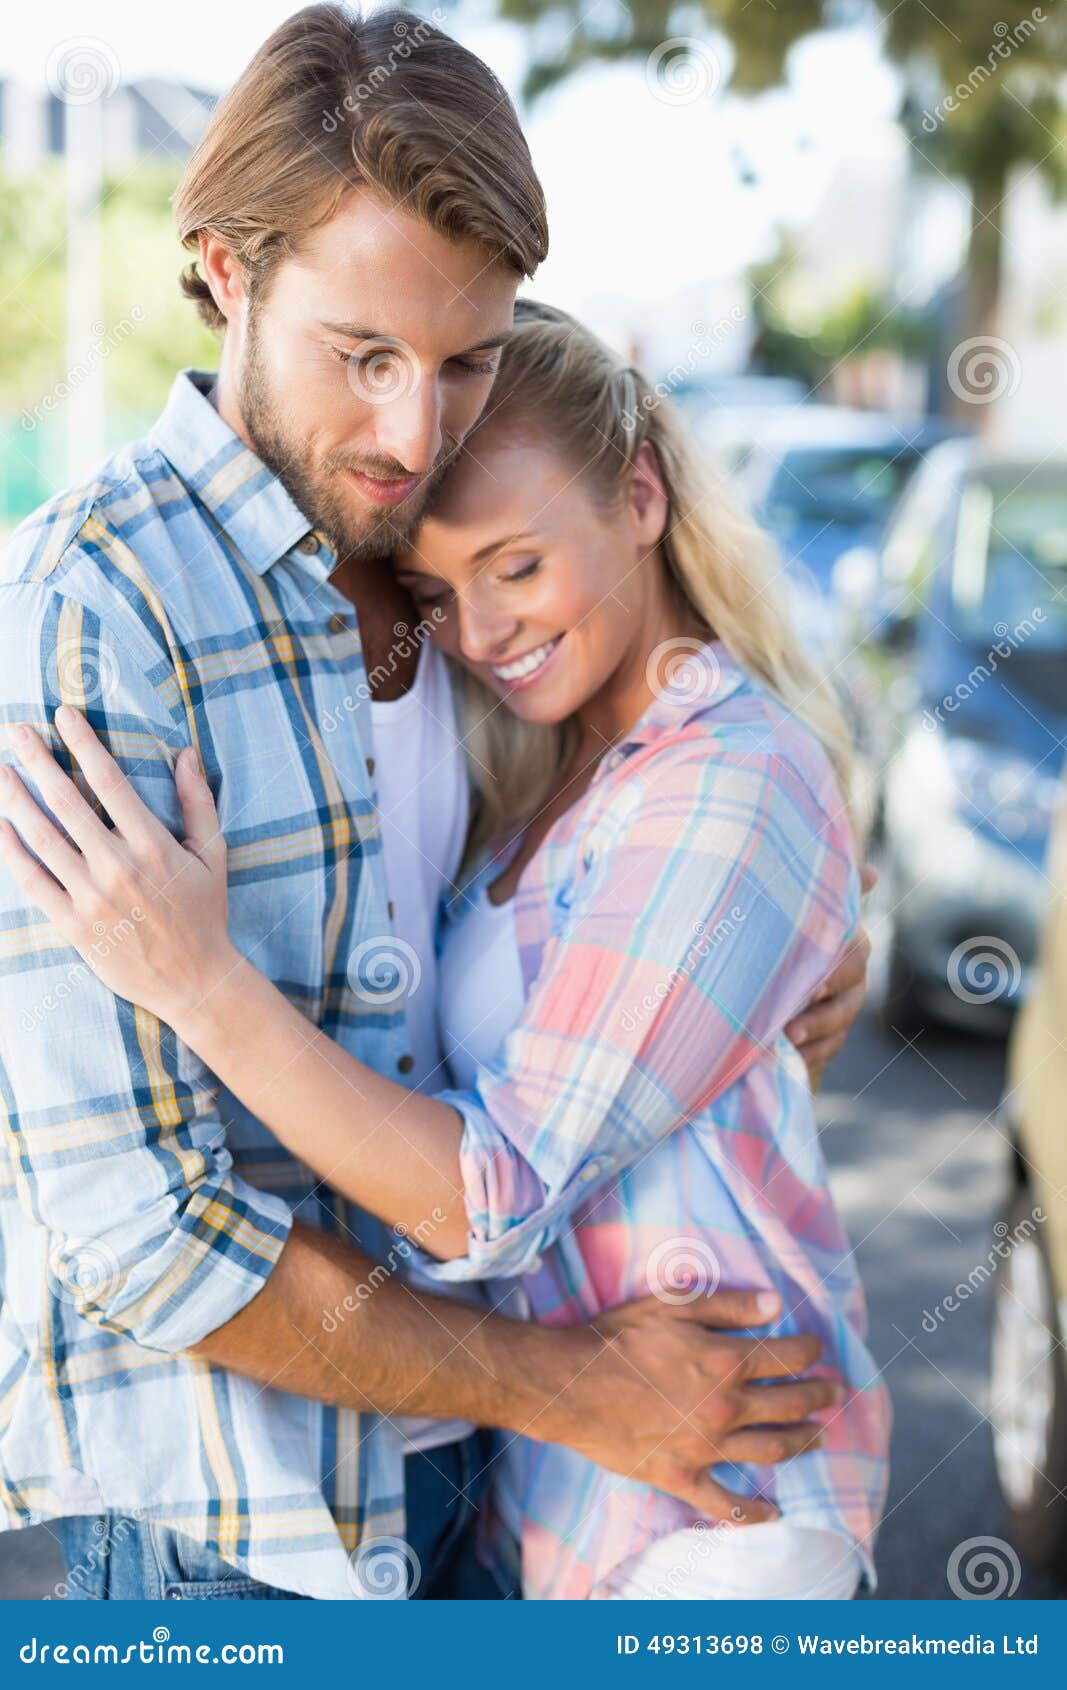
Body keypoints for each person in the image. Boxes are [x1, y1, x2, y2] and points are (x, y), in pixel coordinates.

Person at [0, 299, 889, 1600]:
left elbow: (494, 1191)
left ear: (639, 494)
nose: (479, 634)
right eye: (438, 592)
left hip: (728, 1487)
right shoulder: (544, 780)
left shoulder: (728, 779)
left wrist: (198, 983)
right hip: (565, 1500)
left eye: (519, 567)